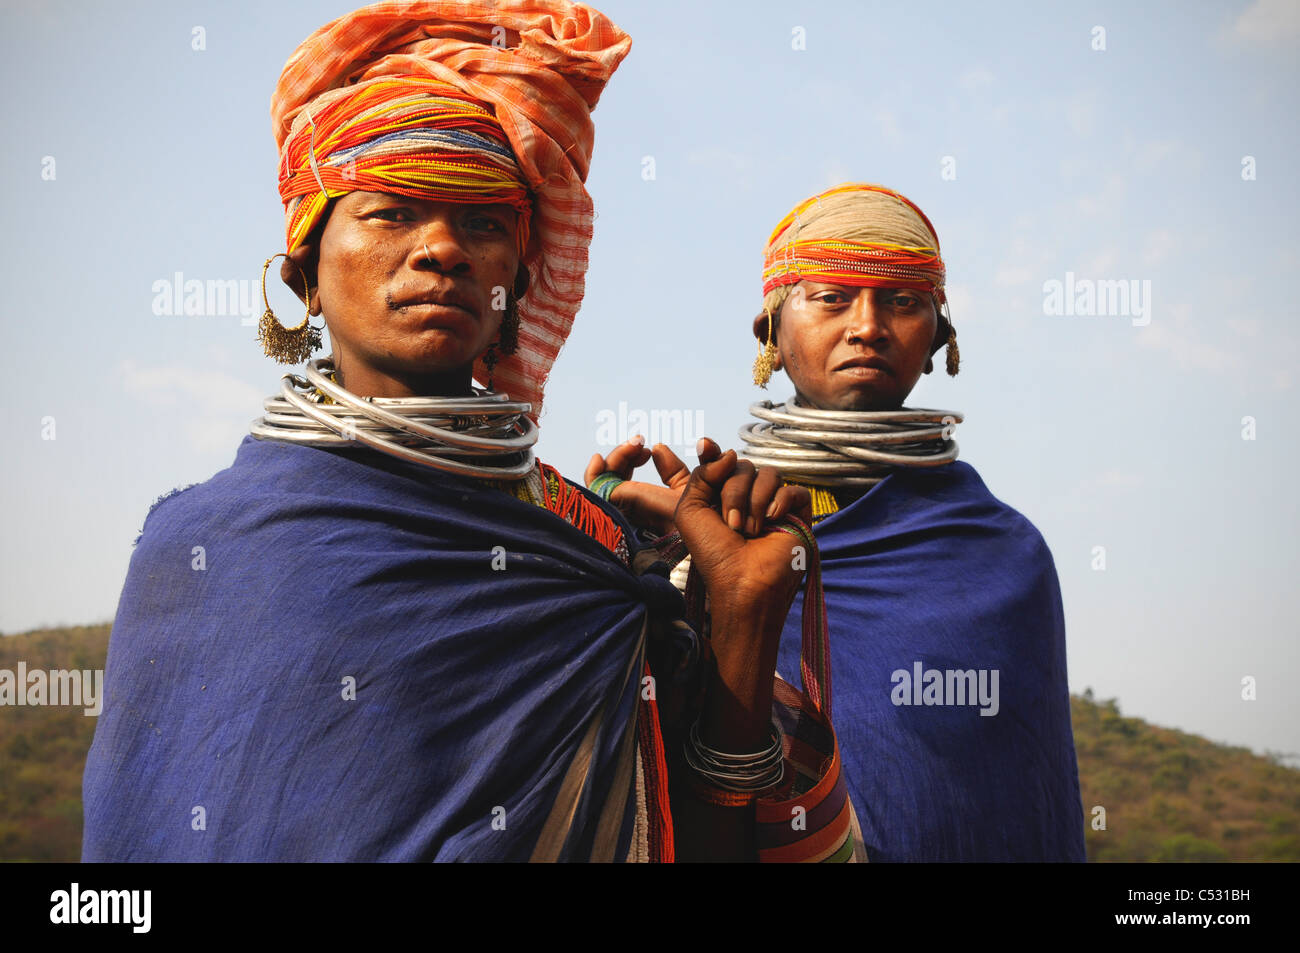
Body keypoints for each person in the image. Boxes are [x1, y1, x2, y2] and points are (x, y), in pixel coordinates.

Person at [81, 0, 825, 863]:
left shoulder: (594, 556)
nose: (444, 249)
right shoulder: (199, 552)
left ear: (520, 277)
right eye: (391, 211)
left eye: (481, 222)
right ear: (304, 273)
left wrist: (736, 621)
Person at [587, 183, 1087, 862]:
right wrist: (618, 546)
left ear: (940, 336)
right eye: (831, 297)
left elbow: (1024, 790)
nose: (868, 326)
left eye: (903, 301)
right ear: (770, 327)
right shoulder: (709, 526)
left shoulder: (1003, 554)